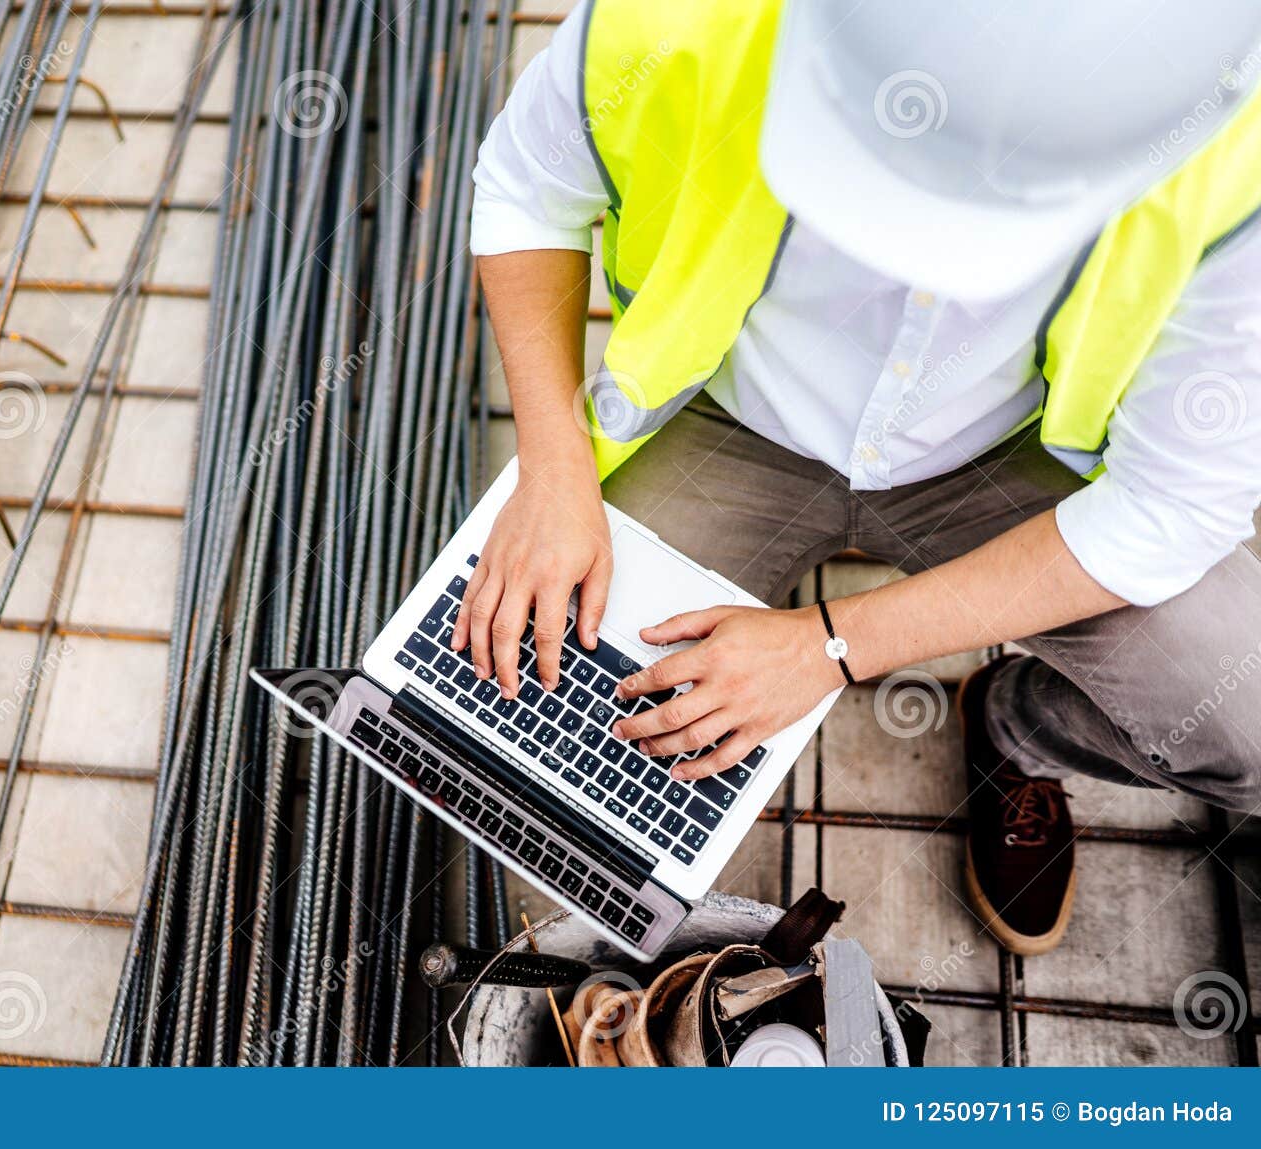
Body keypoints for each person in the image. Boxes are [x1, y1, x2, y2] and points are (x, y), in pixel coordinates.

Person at [460, 0, 1261, 955]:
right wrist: (553, 471)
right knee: (543, 724)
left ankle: (1017, 729)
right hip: (730, 411)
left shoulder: (1231, 134)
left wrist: (828, 648)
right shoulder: (678, 17)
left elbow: (1169, 508)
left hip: (1010, 446)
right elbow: (526, 187)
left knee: (1247, 723)